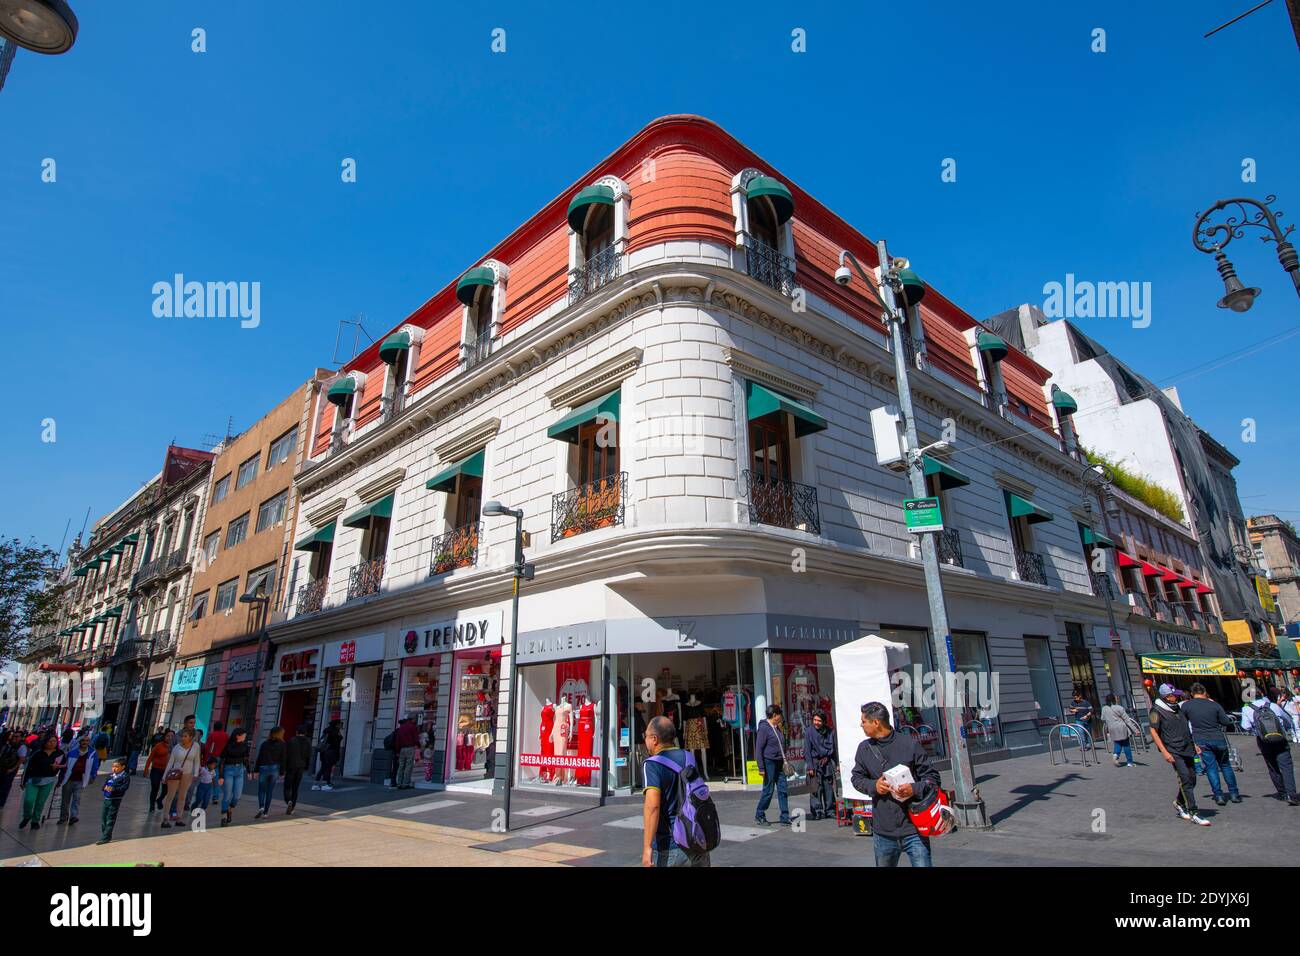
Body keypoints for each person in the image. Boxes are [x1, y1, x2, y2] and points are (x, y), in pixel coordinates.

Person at [851, 701, 941, 867]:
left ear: (876, 723)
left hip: (914, 828)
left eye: (864, 721)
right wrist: (874, 786)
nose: (861, 725)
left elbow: (932, 778)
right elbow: (856, 778)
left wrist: (913, 789)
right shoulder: (864, 749)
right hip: (883, 832)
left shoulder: (909, 744)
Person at [640, 715, 710, 867]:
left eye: (645, 736)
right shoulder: (688, 757)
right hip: (697, 840)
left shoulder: (651, 765)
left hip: (671, 847)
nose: (644, 740)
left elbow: (652, 806)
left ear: (654, 739)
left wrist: (647, 847)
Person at [1149, 684, 1211, 826]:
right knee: (1185, 779)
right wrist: (1164, 752)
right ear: (1166, 696)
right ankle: (1193, 812)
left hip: (1187, 747)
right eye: (1173, 695)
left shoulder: (1178, 708)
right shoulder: (1155, 710)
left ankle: (1179, 803)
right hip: (1173, 749)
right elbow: (1153, 731)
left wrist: (1193, 743)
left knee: (1192, 778)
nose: (1176, 696)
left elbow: (1185, 728)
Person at [1181, 683, 1239, 806]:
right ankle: (1234, 793)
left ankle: (1218, 796)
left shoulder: (1187, 706)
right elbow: (1225, 721)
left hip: (1201, 739)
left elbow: (1182, 723)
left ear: (1192, 694)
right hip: (1218, 737)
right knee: (1225, 766)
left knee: (1211, 768)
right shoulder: (1214, 705)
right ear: (1205, 692)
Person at [1241, 689, 1297, 805]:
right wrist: (1285, 728)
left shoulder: (1247, 709)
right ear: (1261, 694)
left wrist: (1256, 730)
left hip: (1264, 740)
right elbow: (1288, 720)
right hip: (1280, 738)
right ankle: (1291, 794)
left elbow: (1245, 726)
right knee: (1286, 766)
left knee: (1272, 766)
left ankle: (1282, 793)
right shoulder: (1273, 705)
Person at [753, 704, 790, 826]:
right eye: (779, 714)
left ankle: (785, 816)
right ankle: (760, 814)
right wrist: (761, 767)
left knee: (783, 789)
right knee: (768, 791)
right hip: (769, 762)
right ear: (774, 715)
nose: (781, 717)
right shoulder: (764, 728)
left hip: (779, 762)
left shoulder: (776, 727)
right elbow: (758, 749)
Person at [18, 734, 64, 830]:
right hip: (33, 779)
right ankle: (27, 816)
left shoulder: (60, 754)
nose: (52, 743)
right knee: (29, 800)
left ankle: (35, 820)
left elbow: (64, 766)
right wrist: (23, 780)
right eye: (50, 741)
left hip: (48, 780)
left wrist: (58, 772)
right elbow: (28, 766)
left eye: (54, 741)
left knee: (40, 802)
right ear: (45, 742)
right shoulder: (38, 753)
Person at [160, 728, 200, 829]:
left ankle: (179, 818)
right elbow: (170, 762)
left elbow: (197, 760)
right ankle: (165, 819)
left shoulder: (195, 747)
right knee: (170, 796)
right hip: (175, 773)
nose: (183, 738)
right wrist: (165, 776)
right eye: (182, 736)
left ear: (191, 737)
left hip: (187, 774)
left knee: (182, 796)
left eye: (185, 736)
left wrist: (195, 774)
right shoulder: (176, 747)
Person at [57, 733, 100, 825]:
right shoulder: (72, 753)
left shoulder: (92, 754)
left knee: (77, 798)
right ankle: (63, 817)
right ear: (79, 742)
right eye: (83, 741)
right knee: (65, 799)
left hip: (81, 779)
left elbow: (95, 766)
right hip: (69, 779)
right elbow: (65, 766)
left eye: (87, 741)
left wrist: (93, 776)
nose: (85, 742)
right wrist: (60, 779)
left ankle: (74, 816)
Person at [804, 710, 838, 820]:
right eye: (814, 720)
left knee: (828, 786)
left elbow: (834, 749)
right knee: (815, 788)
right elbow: (807, 750)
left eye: (819, 720)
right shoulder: (809, 731)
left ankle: (830, 810)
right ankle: (817, 811)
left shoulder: (830, 732)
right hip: (814, 762)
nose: (816, 722)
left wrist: (836, 763)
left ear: (823, 721)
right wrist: (809, 766)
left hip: (826, 762)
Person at [218, 728, 251, 826]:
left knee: (237, 795)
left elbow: (246, 759)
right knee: (227, 795)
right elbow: (222, 762)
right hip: (228, 770)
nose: (245, 738)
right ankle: (223, 816)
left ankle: (230, 809)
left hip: (240, 771)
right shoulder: (228, 747)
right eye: (243, 736)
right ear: (237, 736)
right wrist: (221, 776)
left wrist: (249, 771)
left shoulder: (245, 746)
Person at [253, 726, 286, 819]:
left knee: (261, 789)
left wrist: (256, 770)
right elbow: (283, 759)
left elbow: (259, 757)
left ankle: (261, 807)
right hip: (274, 768)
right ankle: (266, 813)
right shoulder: (282, 744)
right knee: (269, 791)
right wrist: (282, 772)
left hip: (263, 767)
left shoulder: (265, 743)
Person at [97, 758, 130, 845]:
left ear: (123, 767)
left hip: (115, 800)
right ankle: (105, 834)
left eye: (116, 767)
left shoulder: (125, 777)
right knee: (104, 818)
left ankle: (106, 837)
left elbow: (124, 788)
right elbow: (104, 786)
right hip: (107, 799)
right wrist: (105, 788)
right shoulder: (111, 776)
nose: (114, 768)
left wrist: (113, 789)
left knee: (110, 818)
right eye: (113, 767)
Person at [1100, 694, 1136, 767]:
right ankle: (1130, 762)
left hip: (1111, 728)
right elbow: (1127, 720)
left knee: (1117, 743)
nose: (1117, 699)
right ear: (1114, 699)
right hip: (1121, 727)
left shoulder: (1104, 708)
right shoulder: (1119, 708)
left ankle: (1115, 755)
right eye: (1116, 698)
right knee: (1126, 745)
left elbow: (1102, 718)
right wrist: (1135, 730)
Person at [284, 724, 311, 814]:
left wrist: (283, 767)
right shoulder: (308, 741)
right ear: (305, 732)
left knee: (288, 786)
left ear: (297, 732)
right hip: (301, 767)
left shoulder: (292, 741)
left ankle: (288, 801)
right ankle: (292, 806)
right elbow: (309, 755)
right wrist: (306, 766)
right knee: (295, 787)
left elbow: (286, 755)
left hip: (291, 766)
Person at [143, 731, 172, 812]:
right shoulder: (158, 746)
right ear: (164, 737)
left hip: (167, 771)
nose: (169, 738)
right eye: (168, 736)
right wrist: (146, 769)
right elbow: (150, 758)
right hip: (156, 770)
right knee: (155, 788)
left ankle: (159, 800)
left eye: (171, 736)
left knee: (166, 790)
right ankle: (152, 806)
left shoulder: (174, 747)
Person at [313, 719, 341, 791]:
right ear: (336, 724)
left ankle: (315, 784)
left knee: (323, 767)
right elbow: (336, 743)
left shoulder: (326, 730)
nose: (340, 725)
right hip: (331, 752)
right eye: (339, 724)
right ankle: (326, 784)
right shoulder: (335, 731)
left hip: (324, 751)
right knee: (328, 768)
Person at [206, 720, 229, 804]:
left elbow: (208, 747)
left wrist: (206, 758)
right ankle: (216, 797)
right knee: (219, 777)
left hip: (213, 758)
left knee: (211, 777)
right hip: (223, 758)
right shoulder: (226, 735)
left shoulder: (212, 734)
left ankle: (209, 795)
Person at [0, 729, 24, 807]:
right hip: (2, 767)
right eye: (13, 736)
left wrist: (13, 769)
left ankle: (1, 804)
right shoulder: (8, 744)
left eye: (17, 736)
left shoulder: (21, 746)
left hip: (10, 769)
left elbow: (21, 759)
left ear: (21, 738)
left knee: (5, 786)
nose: (14, 738)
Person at [394, 717, 420, 790]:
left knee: (401, 766)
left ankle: (399, 783)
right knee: (408, 766)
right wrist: (418, 745)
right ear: (412, 720)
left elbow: (397, 740)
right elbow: (416, 738)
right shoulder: (412, 727)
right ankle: (406, 783)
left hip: (402, 749)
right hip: (410, 748)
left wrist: (397, 751)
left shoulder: (401, 728)